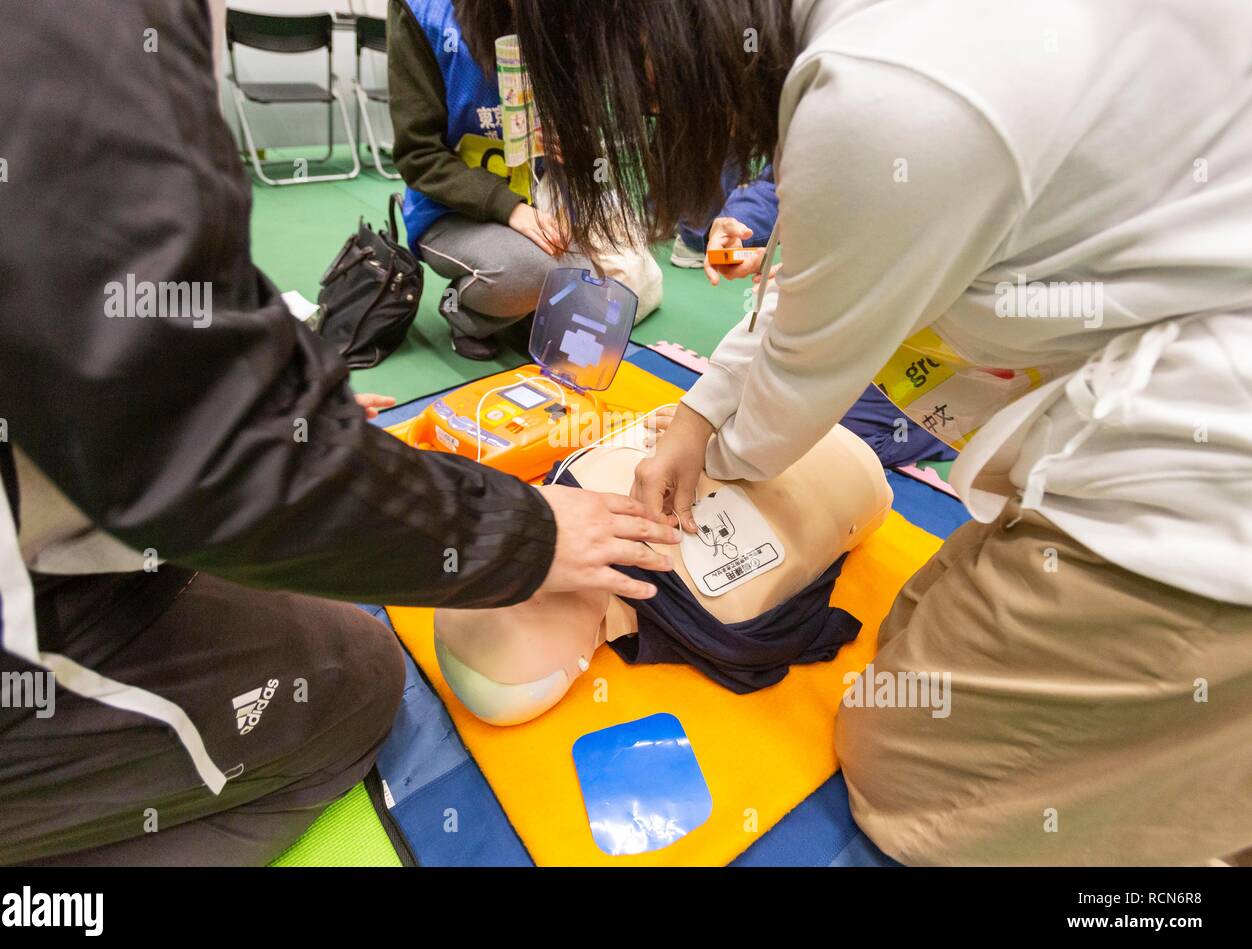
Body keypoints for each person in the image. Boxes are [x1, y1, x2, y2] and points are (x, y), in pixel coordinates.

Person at [458, 0, 1252, 864]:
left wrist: (709, 449)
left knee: (908, 783)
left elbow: (798, 370)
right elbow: (805, 295)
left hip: (1202, 442)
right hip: (1126, 350)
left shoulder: (893, 89)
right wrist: (691, 418)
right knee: (910, 637)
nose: (642, 108)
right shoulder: (874, 70)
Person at [0, 0, 677, 865]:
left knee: (301, 609)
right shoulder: (73, 35)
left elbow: (150, 294)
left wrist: (285, 403)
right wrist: (524, 534)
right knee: (354, 682)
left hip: (27, 516)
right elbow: (201, 448)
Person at [435, 420, 892, 723]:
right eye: (528, 606)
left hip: (771, 403)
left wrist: (696, 422)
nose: (525, 582)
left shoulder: (565, 484)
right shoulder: (717, 618)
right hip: (860, 475)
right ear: (575, 665)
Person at [387, 0, 594, 360]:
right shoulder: (422, 13)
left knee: (584, 279)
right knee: (532, 272)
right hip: (446, 210)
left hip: (529, 198)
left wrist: (563, 140)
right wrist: (510, 208)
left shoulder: (557, 20)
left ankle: (517, 307)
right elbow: (418, 157)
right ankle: (464, 313)